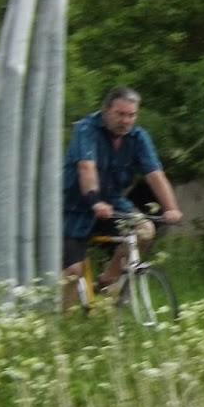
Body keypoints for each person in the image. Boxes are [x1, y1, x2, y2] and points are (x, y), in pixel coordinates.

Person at [61, 86, 182, 307]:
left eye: (131, 115)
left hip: (113, 203)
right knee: (72, 271)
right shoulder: (86, 129)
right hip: (75, 206)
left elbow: (155, 175)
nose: (126, 120)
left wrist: (171, 208)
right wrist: (95, 201)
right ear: (106, 111)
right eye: (120, 114)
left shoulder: (138, 137)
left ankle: (107, 281)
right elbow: (86, 168)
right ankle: (63, 328)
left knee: (145, 230)